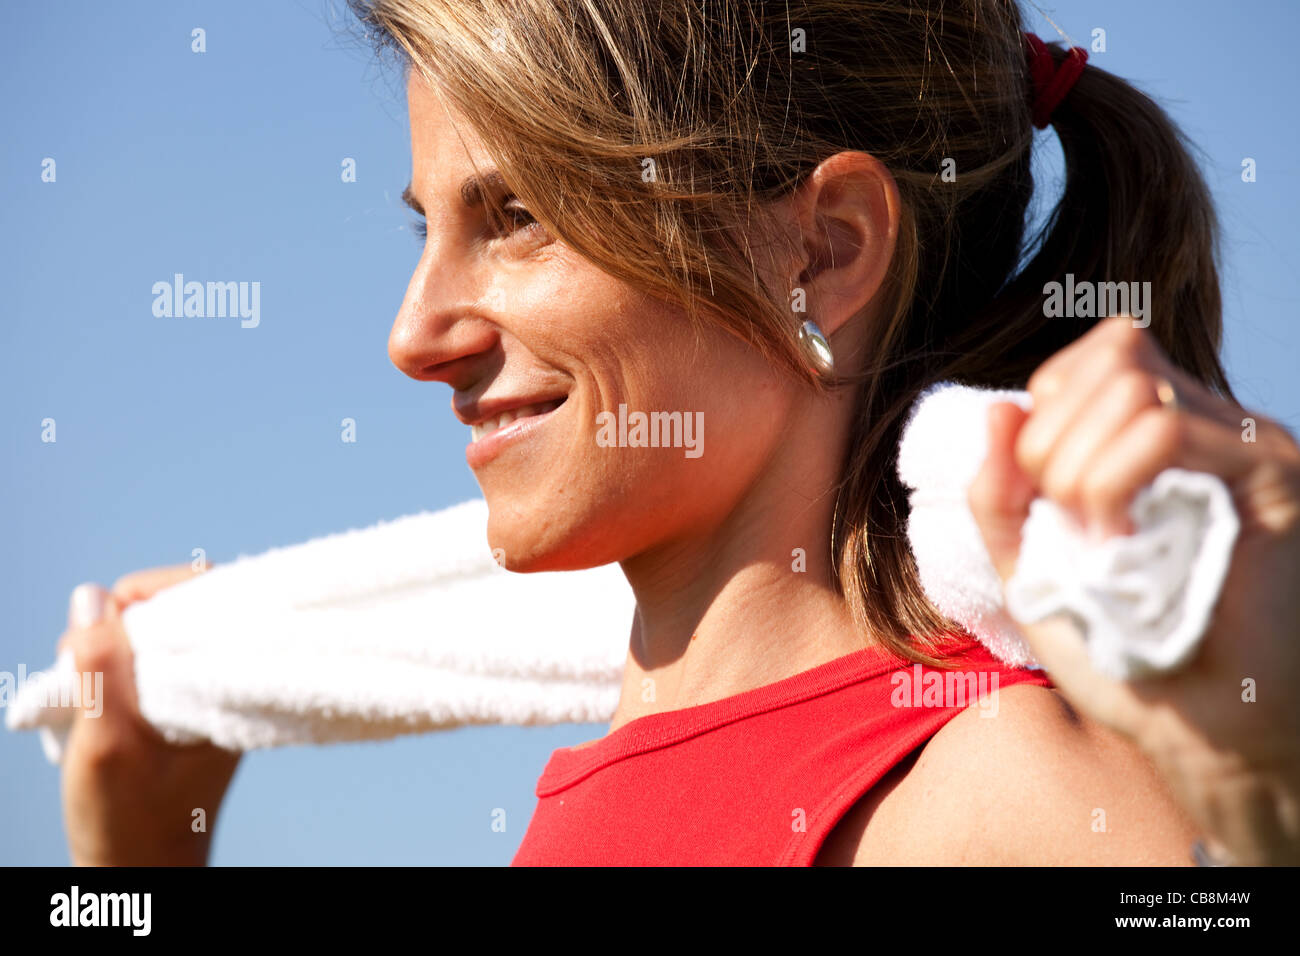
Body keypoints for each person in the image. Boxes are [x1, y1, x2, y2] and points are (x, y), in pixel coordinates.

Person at [56, 0, 1299, 865]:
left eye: (520, 215)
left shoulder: (991, 787)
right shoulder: (622, 767)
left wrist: (1269, 776)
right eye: (424, 225)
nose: (413, 332)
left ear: (825, 248)